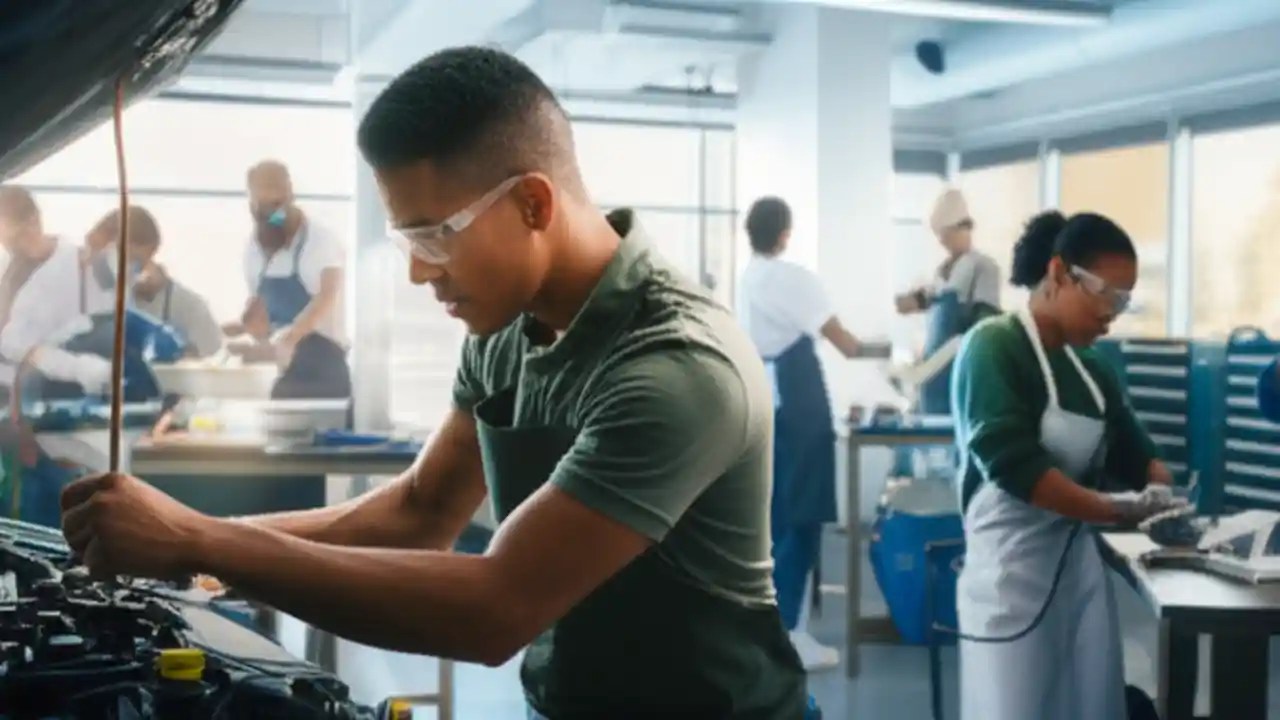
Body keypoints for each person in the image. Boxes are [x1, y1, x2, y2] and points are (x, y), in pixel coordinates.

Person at [60, 46, 808, 718]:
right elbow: (420, 511)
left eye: (433, 237)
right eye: (405, 240)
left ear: (533, 203)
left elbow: (496, 607)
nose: (419, 271)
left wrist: (202, 542)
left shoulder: (678, 366)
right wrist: (194, 547)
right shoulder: (504, 332)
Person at [952, 210, 1187, 720]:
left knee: (1090, 705)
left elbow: (1136, 452)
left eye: (1123, 300)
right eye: (1106, 294)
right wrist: (1112, 509)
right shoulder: (994, 345)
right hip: (1009, 576)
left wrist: (1158, 486)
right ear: (1058, 273)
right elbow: (1012, 464)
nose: (1112, 313)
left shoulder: (1094, 369)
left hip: (1079, 579)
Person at [736, 195, 864, 672]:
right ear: (785, 234)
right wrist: (887, 353)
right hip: (798, 396)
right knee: (804, 514)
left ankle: (773, 629)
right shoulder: (792, 278)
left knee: (775, 515)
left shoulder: (748, 278)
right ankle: (792, 632)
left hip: (765, 397)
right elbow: (845, 342)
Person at [0, 186, 110, 527]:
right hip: (13, 409)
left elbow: (94, 336)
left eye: (15, 236)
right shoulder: (14, 270)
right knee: (18, 513)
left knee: (52, 509)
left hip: (55, 407)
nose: (11, 245)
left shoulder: (79, 267)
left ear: (35, 220)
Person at [223, 160, 349, 398]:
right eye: (260, 208)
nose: (270, 216)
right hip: (283, 369)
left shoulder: (321, 241)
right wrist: (249, 330)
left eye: (275, 205)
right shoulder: (254, 249)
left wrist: (291, 338)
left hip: (324, 367)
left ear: (290, 195)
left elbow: (327, 296)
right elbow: (264, 325)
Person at [895, 188, 1001, 413]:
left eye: (945, 235)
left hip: (961, 376)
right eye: (939, 236)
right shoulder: (940, 271)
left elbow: (985, 326)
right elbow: (915, 305)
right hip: (931, 380)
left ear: (962, 228)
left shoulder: (983, 267)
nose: (942, 242)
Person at [84, 206, 222, 358]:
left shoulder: (188, 307)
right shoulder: (82, 300)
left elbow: (213, 356)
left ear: (152, 251)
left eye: (133, 259)